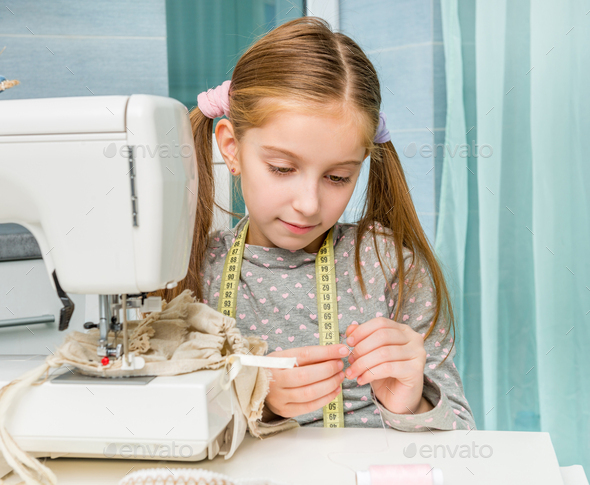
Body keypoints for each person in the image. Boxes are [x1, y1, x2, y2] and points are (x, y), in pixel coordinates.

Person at [156, 17, 476, 432]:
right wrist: (259, 399)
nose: (308, 205)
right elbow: (162, 424)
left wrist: (410, 402)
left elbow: (461, 436)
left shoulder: (389, 265)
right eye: (283, 168)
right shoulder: (196, 271)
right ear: (231, 149)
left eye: (338, 177)